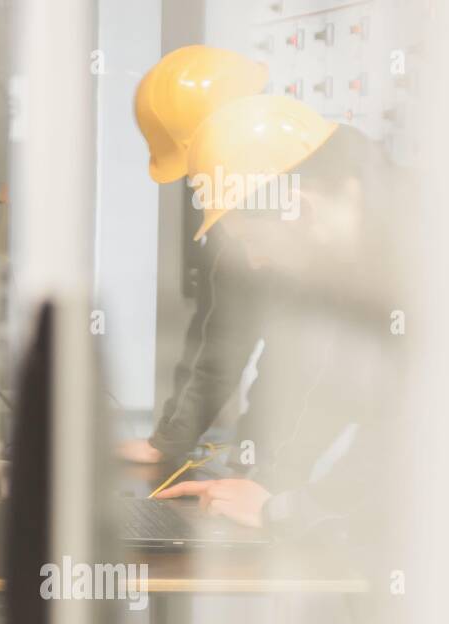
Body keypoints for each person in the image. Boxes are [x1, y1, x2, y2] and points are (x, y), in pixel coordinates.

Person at [155, 94, 408, 543]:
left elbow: (408, 447)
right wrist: (264, 487)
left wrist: (287, 512)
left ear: (301, 209)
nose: (254, 262)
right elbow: (325, 388)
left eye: (254, 241)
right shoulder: (350, 259)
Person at [123, 45, 269, 465]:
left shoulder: (275, 201)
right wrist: (169, 441)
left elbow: (293, 356)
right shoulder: (236, 198)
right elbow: (218, 327)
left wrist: (266, 475)